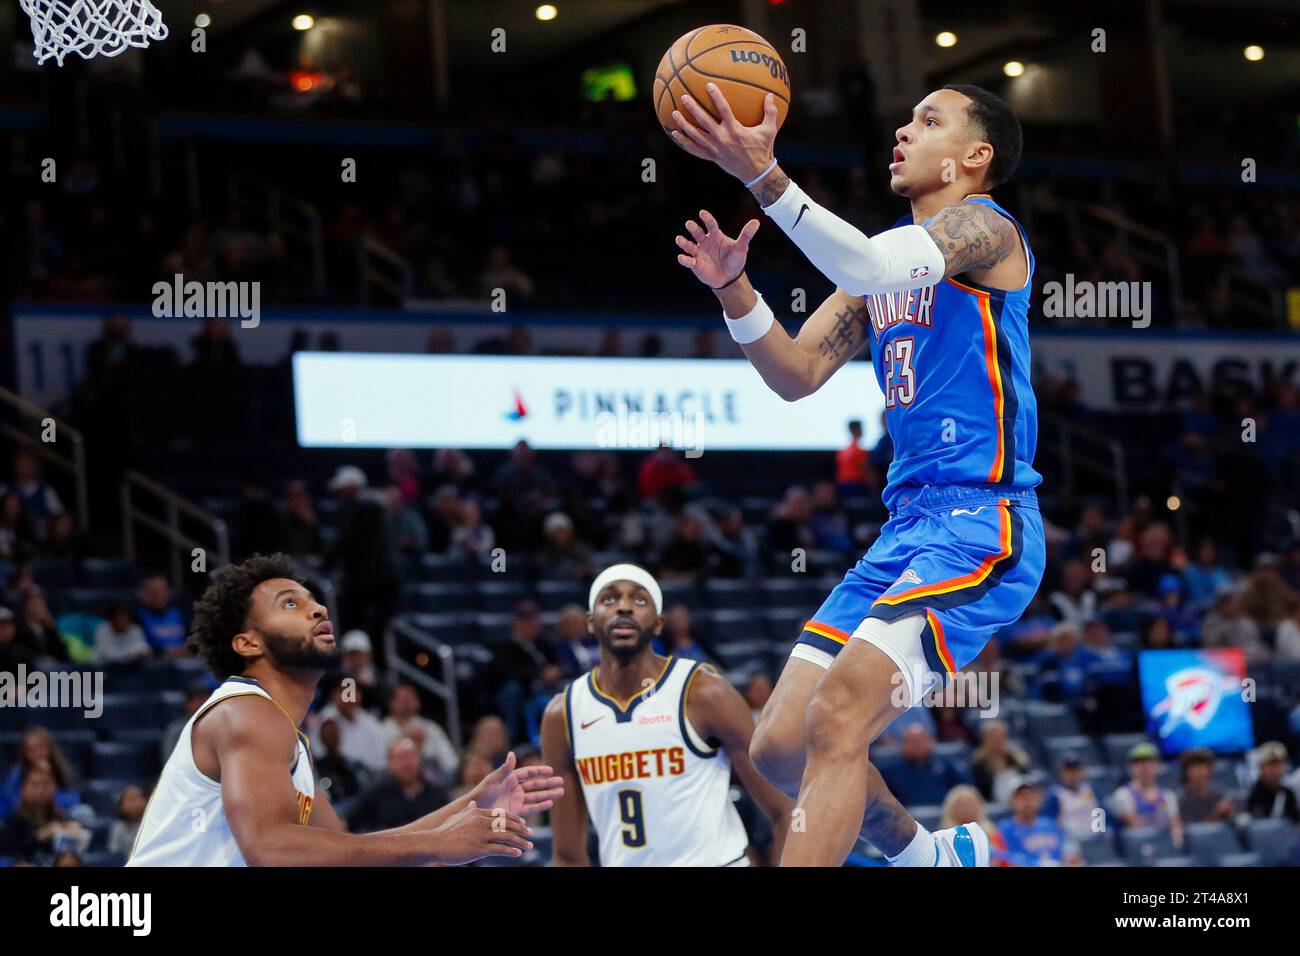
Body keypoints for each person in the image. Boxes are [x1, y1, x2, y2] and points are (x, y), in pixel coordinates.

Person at [672, 81, 1043, 866]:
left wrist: (764, 176)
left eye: (929, 121)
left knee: (839, 718)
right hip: (905, 529)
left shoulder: (985, 230)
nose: (904, 132)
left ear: (976, 157)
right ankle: (933, 859)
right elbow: (798, 372)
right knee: (778, 748)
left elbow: (874, 262)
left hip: (983, 521)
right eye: (906, 119)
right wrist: (733, 288)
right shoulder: (878, 276)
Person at [127, 553, 561, 866]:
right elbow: (272, 850)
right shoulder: (246, 712)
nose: (317, 608)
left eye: (314, 600)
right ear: (248, 642)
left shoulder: (282, 734)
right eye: (290, 604)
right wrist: (438, 845)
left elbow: (343, 852)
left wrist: (470, 805)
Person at [541, 564, 791, 866]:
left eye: (639, 599)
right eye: (609, 599)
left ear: (658, 623)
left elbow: (785, 810)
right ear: (591, 623)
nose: (623, 607)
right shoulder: (562, 715)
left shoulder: (704, 693)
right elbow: (567, 856)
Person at [1109, 742, 1184, 848]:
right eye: (1139, 763)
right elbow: (1135, 827)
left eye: (1150, 762)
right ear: (1131, 768)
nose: (1145, 767)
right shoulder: (1122, 795)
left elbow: (1176, 827)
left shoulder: (1168, 796)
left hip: (1165, 848)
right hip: (1137, 849)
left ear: (1158, 766)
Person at [381, 683, 459, 780]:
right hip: (392, 782)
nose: (407, 702)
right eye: (404, 699)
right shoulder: (381, 730)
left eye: (411, 697)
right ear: (392, 703)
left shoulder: (431, 728)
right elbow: (380, 765)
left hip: (432, 781)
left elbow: (451, 763)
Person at [998, 775, 1081, 866]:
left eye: (1031, 796)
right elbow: (1005, 860)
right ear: (1013, 801)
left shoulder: (1050, 824)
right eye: (1022, 796)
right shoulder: (1004, 829)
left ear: (1039, 800)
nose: (1027, 800)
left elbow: (1067, 851)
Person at [134, 572, 189, 658]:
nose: (158, 596)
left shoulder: (181, 613)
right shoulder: (136, 618)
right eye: (153, 592)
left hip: (187, 662)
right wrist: (162, 653)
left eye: (161, 591)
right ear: (143, 594)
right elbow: (139, 649)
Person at [1246, 741, 1299, 823]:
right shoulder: (1253, 794)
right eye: (1271, 765)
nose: (1275, 770)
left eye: (1279, 764)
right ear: (1261, 767)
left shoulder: (1288, 793)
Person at [1177, 748, 1235, 824]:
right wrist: (1217, 814)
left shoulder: (1219, 794)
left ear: (1210, 770)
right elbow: (1193, 830)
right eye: (1194, 768)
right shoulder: (1181, 800)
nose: (1198, 772)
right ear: (1186, 772)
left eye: (1202, 767)